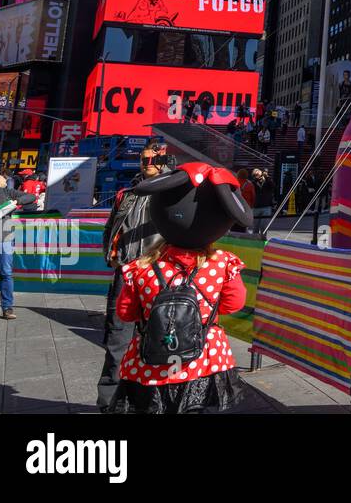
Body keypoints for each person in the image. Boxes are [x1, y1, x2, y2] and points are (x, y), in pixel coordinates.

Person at [108, 162, 252, 413]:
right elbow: (234, 304)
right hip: (205, 358)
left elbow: (126, 313)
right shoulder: (223, 265)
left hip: (149, 362)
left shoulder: (140, 267)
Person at [97, 149, 167, 410]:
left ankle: (150, 402)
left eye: (155, 159)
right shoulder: (126, 195)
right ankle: (110, 404)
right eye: (144, 159)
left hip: (157, 277)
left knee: (158, 341)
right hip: (125, 275)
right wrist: (111, 257)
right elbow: (110, 228)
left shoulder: (171, 195)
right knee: (118, 340)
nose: (148, 163)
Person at [0, 170, 38, 319]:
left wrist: (16, 202)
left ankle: (7, 308)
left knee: (6, 274)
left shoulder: (7, 192)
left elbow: (31, 197)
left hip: (4, 240)